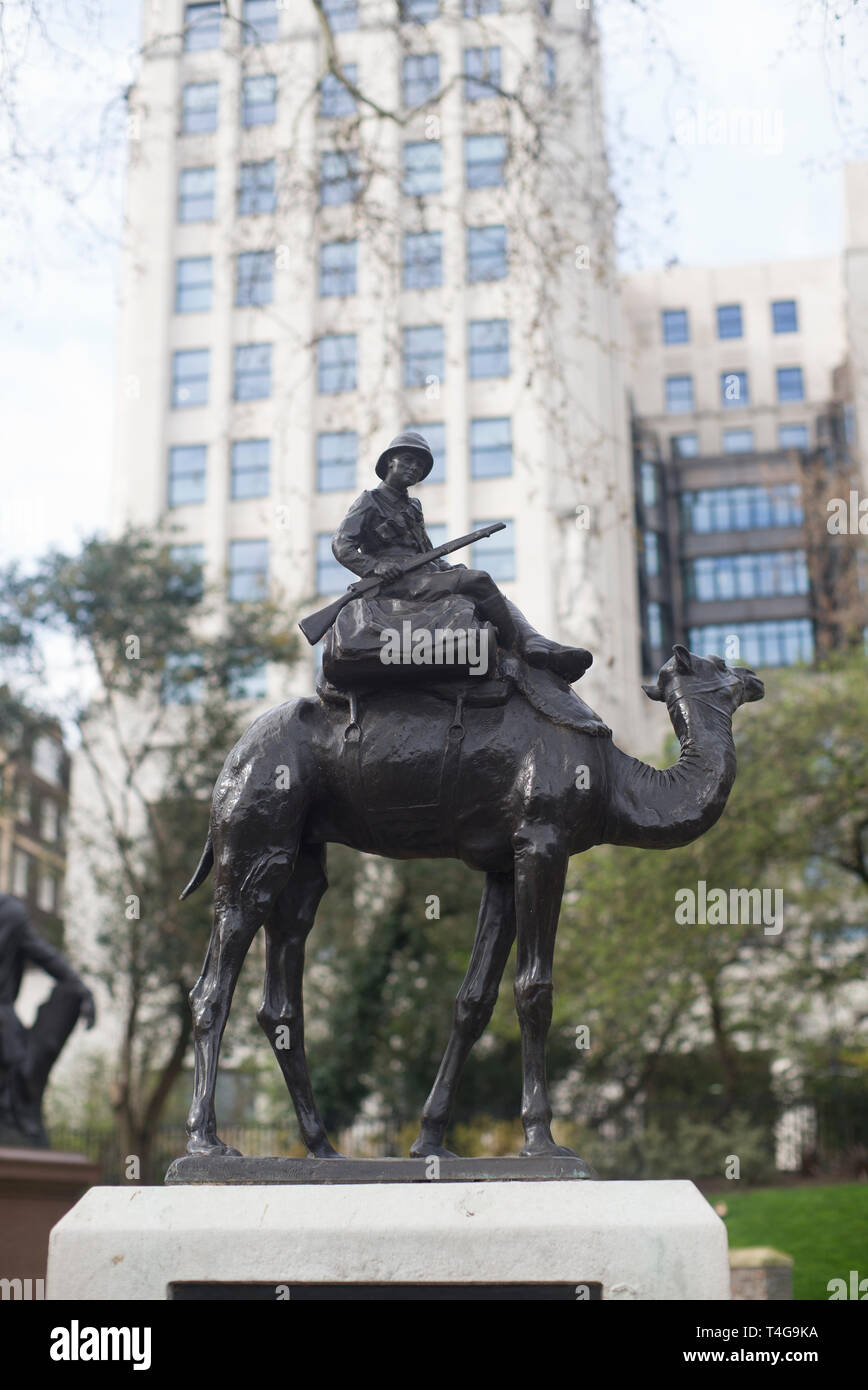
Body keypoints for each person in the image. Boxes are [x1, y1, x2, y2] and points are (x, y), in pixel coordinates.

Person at [331, 432, 592, 683]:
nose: (415, 469)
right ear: (390, 461)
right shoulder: (369, 501)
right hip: (393, 581)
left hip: (420, 573)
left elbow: (426, 551)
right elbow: (341, 544)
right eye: (409, 461)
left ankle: (535, 640)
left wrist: (449, 569)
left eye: (420, 466)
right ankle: (521, 646)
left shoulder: (413, 507)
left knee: (484, 587)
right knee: (479, 580)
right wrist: (376, 567)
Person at [0, 893, 94, 1145]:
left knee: (17, 1102)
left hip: (4, 1026)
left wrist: (80, 989)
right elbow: (45, 955)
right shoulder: (9, 911)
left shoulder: (8, 912)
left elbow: (45, 956)